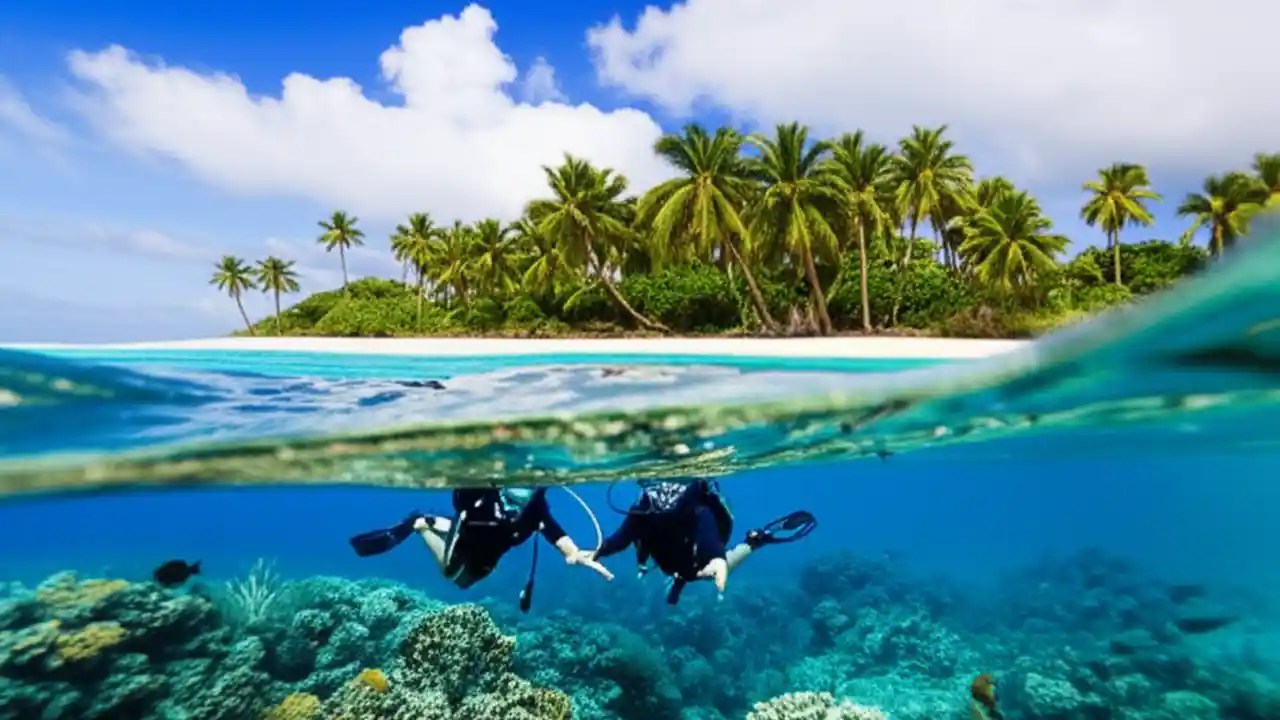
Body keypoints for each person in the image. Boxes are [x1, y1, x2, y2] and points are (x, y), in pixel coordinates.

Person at [349, 486, 612, 611]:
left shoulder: (534, 511)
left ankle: (430, 520)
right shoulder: (478, 494)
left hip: (489, 556)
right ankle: (420, 523)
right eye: (511, 494)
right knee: (451, 573)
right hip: (465, 537)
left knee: (465, 583)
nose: (515, 504)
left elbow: (554, 532)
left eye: (525, 495)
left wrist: (574, 553)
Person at [588, 478, 816, 605]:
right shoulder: (641, 510)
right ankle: (684, 573)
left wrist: (716, 558)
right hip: (675, 558)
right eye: (653, 486)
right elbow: (622, 537)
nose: (661, 493)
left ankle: (757, 540)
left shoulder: (692, 505)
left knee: (709, 572)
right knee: (683, 570)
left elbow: (705, 525)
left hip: (698, 557)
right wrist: (599, 551)